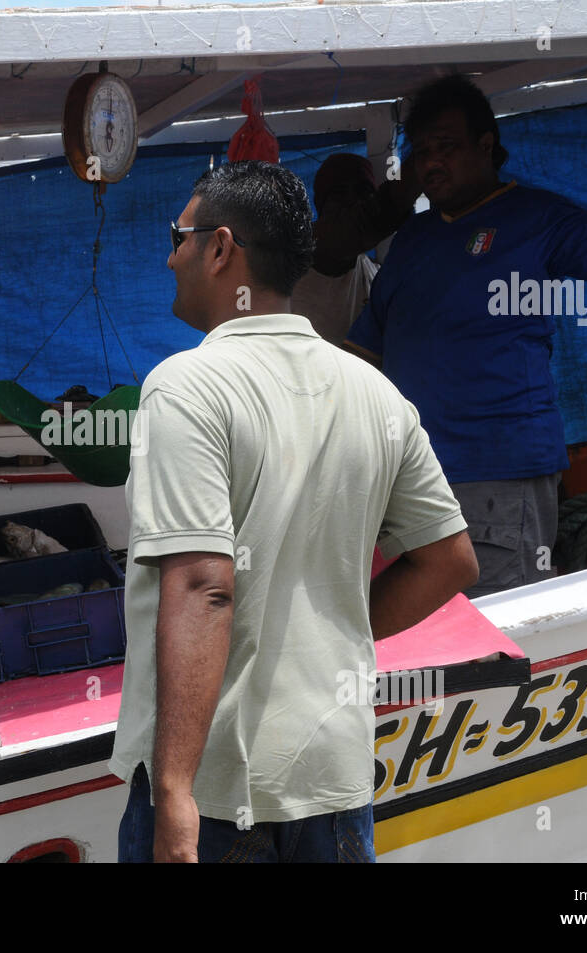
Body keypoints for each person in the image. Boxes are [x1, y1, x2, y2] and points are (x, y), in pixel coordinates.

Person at [109, 160, 479, 863]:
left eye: (177, 235)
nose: (168, 255)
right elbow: (450, 558)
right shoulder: (372, 391)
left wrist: (177, 794)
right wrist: (328, 622)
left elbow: (203, 583)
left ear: (221, 249)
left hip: (221, 794)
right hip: (333, 782)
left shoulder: (185, 387)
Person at [346, 74, 587, 597]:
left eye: (447, 146)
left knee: (498, 646)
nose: (431, 162)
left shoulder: (534, 217)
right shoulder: (412, 240)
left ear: (487, 145)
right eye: (422, 151)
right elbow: (362, 353)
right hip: (411, 479)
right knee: (430, 646)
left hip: (499, 476)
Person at [290, 152, 419, 346]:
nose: (353, 200)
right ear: (320, 205)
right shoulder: (308, 247)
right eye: (339, 192)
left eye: (363, 191)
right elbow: (379, 214)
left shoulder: (372, 272)